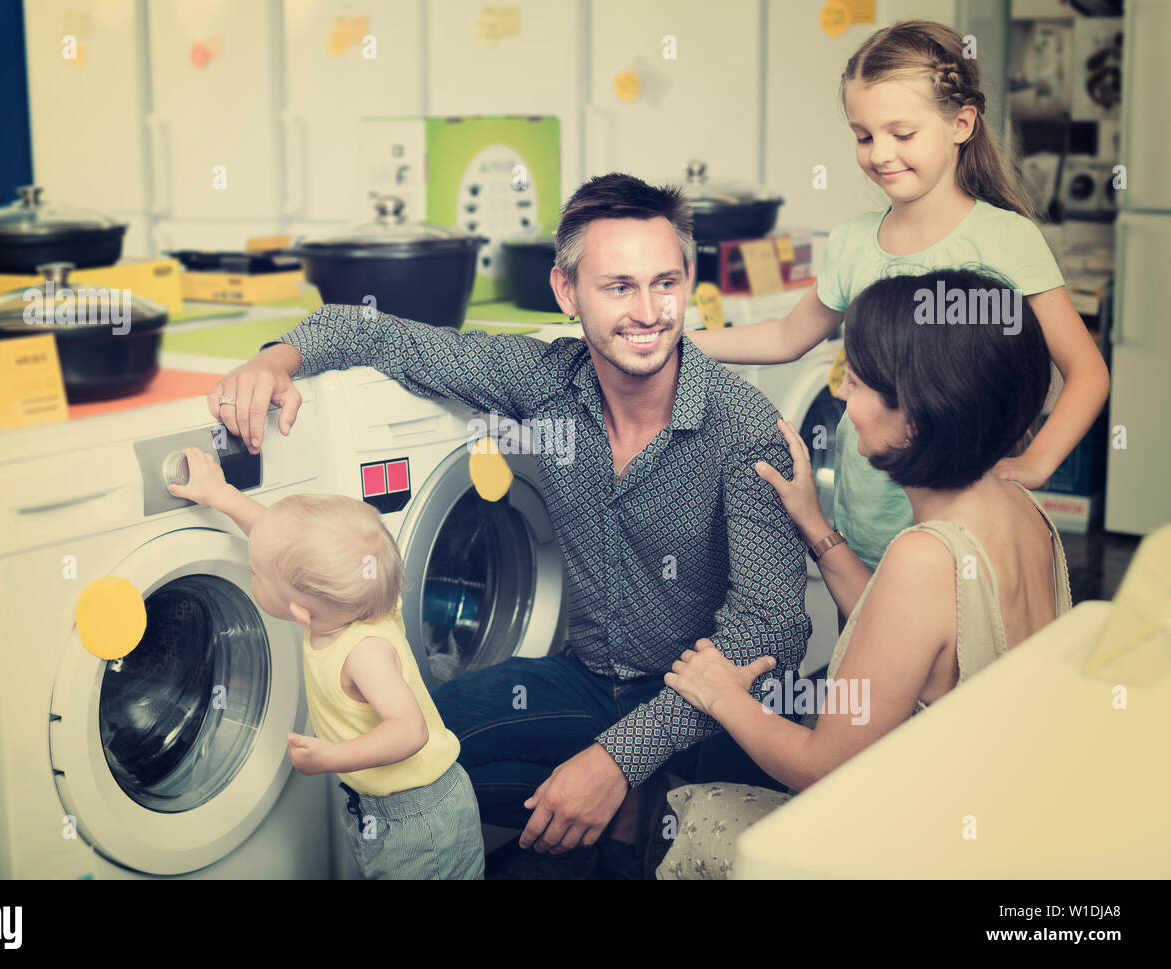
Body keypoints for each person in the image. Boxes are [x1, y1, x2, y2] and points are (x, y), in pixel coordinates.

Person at [204, 172, 811, 878]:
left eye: (665, 283)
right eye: (618, 287)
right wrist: (273, 361)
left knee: (656, 838)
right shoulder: (546, 379)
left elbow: (770, 627)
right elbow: (373, 333)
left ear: (687, 279)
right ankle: (617, 821)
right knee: (404, 745)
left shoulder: (742, 427)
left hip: (708, 709)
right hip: (587, 680)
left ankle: (633, 819)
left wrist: (618, 758)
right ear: (566, 292)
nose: (649, 311)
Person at [658, 269, 1073, 879]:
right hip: (1005, 826)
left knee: (704, 817)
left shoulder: (922, 557)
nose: (844, 400)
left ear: (914, 418)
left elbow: (823, 766)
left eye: (855, 382)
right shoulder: (1020, 507)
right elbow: (914, 636)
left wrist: (720, 694)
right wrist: (812, 522)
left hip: (928, 851)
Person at [689, 19, 1109, 573]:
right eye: (864, 136)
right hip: (865, 515)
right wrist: (681, 340)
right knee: (862, 651)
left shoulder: (1007, 240)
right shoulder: (852, 240)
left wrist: (1037, 461)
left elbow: (1087, 371)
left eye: (901, 134)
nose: (879, 154)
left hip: (965, 530)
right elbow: (788, 336)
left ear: (961, 124)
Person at [166, 448, 485, 879]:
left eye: (256, 575)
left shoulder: (363, 652)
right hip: (379, 809)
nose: (251, 571)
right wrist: (221, 495)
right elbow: (276, 545)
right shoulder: (360, 598)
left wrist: (333, 755)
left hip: (421, 821)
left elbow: (410, 730)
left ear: (300, 611)